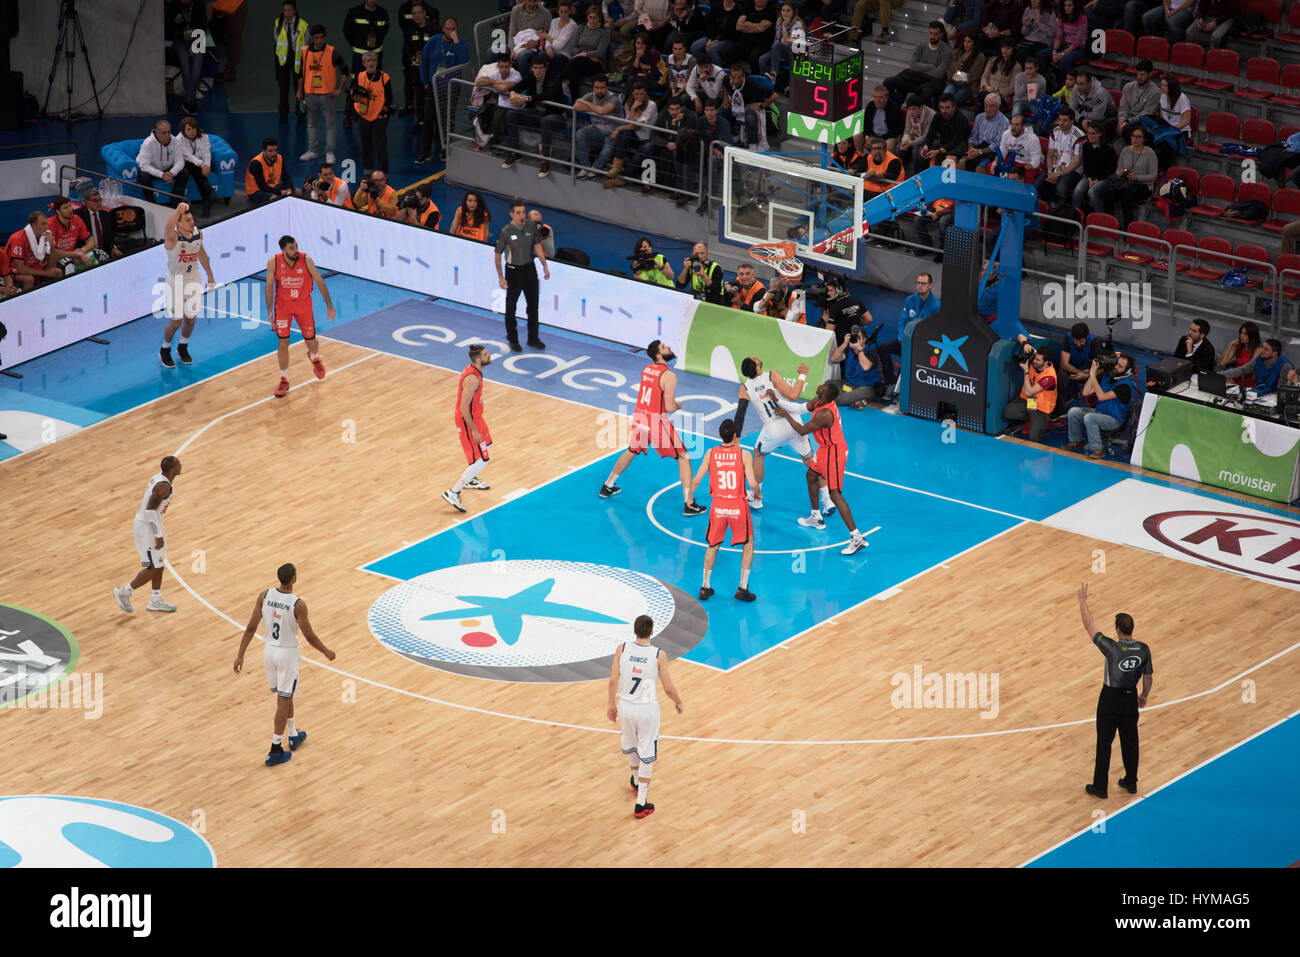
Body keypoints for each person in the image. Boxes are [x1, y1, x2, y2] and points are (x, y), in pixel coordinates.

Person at [233, 563, 337, 768]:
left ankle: (293, 734)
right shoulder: (298, 604)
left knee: (286, 694)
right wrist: (326, 651)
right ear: (293, 579)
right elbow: (309, 636)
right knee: (283, 700)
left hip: (269, 651)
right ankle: (275, 749)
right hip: (287, 654)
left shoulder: (265, 595)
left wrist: (240, 655)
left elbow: (251, 627)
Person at [599, 339, 707, 516]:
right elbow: (670, 407)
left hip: (640, 416)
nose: (669, 347)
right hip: (657, 422)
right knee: (684, 456)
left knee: (632, 450)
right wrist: (679, 405)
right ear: (659, 355)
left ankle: (608, 485)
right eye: (665, 347)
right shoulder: (669, 376)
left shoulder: (647, 369)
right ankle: (689, 503)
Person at [773, 382, 869, 555]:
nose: (820, 386)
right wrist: (778, 401)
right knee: (811, 475)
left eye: (823, 387)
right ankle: (816, 516)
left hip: (835, 452)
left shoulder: (825, 414)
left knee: (835, 493)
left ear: (826, 395)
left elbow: (802, 431)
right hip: (825, 449)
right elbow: (802, 407)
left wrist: (786, 415)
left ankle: (856, 537)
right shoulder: (819, 401)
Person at [1077, 582, 1151, 799]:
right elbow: (1148, 677)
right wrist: (1144, 695)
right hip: (1130, 699)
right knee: (1130, 741)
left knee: (1104, 742)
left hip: (1109, 700)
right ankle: (1131, 781)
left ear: (1118, 630)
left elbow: (1089, 625)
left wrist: (1082, 602)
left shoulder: (1112, 648)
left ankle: (1100, 786)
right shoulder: (1144, 649)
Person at [607, 614, 684, 820]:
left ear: (634, 631)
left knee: (631, 746)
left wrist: (610, 704)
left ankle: (634, 780)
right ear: (652, 632)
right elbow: (667, 687)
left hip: (626, 706)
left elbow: (612, 680)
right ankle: (641, 803)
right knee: (647, 753)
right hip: (647, 709)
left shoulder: (621, 649)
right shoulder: (659, 655)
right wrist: (678, 701)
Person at [735, 355, 832, 512]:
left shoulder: (745, 388)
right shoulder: (772, 375)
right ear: (758, 367)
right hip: (794, 422)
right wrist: (802, 375)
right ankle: (828, 501)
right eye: (753, 358)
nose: (755, 356)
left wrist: (737, 438)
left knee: (758, 455)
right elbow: (793, 395)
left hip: (773, 429)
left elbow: (740, 413)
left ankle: (756, 497)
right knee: (809, 460)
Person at [687, 418, 758, 601]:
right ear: (735, 436)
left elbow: (696, 479)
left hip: (718, 506)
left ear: (720, 435)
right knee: (748, 544)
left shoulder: (711, 453)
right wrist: (757, 493)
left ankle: (705, 586)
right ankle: (742, 588)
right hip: (738, 506)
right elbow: (752, 482)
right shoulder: (744, 455)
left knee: (712, 545)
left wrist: (689, 496)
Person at [267, 235, 336, 398]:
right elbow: (269, 287)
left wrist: (330, 305)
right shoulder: (274, 262)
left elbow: (320, 281)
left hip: (303, 305)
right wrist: (270, 312)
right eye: (291, 248)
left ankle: (314, 357)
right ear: (283, 250)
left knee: (311, 341)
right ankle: (284, 378)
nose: (295, 250)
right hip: (283, 306)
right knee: (283, 342)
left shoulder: (306, 260)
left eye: (296, 246)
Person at [113, 456, 184, 614]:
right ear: (172, 469)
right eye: (178, 464)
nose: (181, 466)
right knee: (153, 568)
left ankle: (155, 599)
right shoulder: (163, 486)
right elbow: (150, 510)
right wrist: (158, 534)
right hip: (148, 527)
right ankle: (124, 592)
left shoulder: (161, 478)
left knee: (159, 565)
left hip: (151, 524)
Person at [160, 202, 215, 369]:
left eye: (192, 219)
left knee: (190, 319)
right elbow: (168, 226)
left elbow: (202, 254)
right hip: (175, 282)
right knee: (176, 322)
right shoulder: (173, 237)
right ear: (179, 223)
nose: (192, 222)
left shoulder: (199, 234)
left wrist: (210, 276)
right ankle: (165, 348)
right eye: (188, 220)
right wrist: (178, 209)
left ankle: (182, 346)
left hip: (193, 280)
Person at [442, 344, 495, 513]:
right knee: (483, 459)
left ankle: (471, 478)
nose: (489, 355)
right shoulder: (472, 379)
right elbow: (464, 407)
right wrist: (473, 429)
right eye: (486, 354)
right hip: (468, 421)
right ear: (478, 359)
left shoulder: (474, 370)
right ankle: (454, 491)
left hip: (477, 417)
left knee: (488, 444)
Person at [494, 199, 550, 351]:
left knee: (533, 306)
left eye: (523, 212)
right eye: (518, 212)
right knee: (511, 307)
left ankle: (533, 338)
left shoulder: (531, 226)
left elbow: (537, 245)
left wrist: (544, 266)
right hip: (513, 272)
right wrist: (500, 277)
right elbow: (498, 255)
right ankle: (513, 339)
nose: (521, 215)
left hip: (530, 269)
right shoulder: (506, 231)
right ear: (511, 214)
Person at [415, 16, 469, 163]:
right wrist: (425, 83)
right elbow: (423, 62)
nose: (450, 31)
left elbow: (464, 59)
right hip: (434, 87)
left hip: (452, 88)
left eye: (453, 29)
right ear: (442, 29)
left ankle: (444, 150)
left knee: (447, 120)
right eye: (447, 29)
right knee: (428, 120)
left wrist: (456, 41)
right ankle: (424, 153)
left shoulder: (461, 43)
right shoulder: (433, 42)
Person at [502, 56, 567, 177]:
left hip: (556, 115)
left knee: (546, 121)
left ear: (545, 69)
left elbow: (548, 95)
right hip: (537, 114)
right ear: (532, 68)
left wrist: (525, 98)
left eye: (540, 68)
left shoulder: (554, 79)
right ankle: (514, 153)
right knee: (512, 115)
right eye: (535, 68)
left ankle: (545, 162)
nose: (537, 71)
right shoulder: (532, 77)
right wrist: (512, 94)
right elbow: (517, 86)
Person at [876, 273, 940, 397]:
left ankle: (907, 390)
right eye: (918, 283)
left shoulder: (936, 306)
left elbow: (933, 331)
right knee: (883, 347)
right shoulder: (910, 300)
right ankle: (891, 382)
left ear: (930, 285)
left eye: (924, 283)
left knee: (911, 359)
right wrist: (902, 340)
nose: (920, 286)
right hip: (906, 341)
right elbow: (902, 322)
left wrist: (916, 344)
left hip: (922, 346)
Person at [1064, 352, 1135, 458]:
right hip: (1100, 413)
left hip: (1114, 420)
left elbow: (1101, 396)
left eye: (1120, 366)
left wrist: (1092, 376)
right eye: (1116, 363)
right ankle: (1077, 441)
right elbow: (1086, 392)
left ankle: (1098, 449)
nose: (1115, 367)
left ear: (1127, 371)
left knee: (1090, 418)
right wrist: (1095, 374)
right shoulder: (1108, 376)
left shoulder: (1125, 386)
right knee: (1073, 412)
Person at [299, 24, 349, 164]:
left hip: (327, 95)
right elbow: (301, 73)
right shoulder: (305, 52)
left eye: (321, 37)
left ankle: (329, 152)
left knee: (330, 125)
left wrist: (339, 88)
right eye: (316, 38)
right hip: (310, 93)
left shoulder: (332, 52)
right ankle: (313, 151)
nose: (319, 40)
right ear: (312, 38)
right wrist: (299, 90)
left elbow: (345, 70)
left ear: (325, 37)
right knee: (311, 124)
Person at [1089, 124, 1156, 229]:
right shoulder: (1126, 150)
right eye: (1133, 136)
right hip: (1125, 182)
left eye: (1138, 137)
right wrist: (1126, 173)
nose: (1135, 139)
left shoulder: (1150, 153)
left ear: (1144, 139)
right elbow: (1118, 170)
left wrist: (1136, 177)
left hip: (1142, 186)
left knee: (1126, 197)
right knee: (1108, 194)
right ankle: (1108, 225)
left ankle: (1127, 229)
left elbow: (1152, 176)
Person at [342, 0, 392, 130]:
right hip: (359, 56)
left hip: (376, 56)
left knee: (376, 85)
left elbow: (385, 29)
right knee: (354, 84)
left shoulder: (383, 13)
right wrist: (357, 45)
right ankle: (348, 115)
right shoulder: (354, 12)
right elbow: (346, 31)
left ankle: (373, 112)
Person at [884, 20, 951, 107]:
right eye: (930, 33)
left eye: (935, 34)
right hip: (914, 78)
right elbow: (912, 66)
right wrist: (931, 66)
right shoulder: (921, 46)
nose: (932, 36)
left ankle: (925, 116)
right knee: (888, 82)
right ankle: (894, 107)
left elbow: (939, 74)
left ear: (941, 35)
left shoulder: (946, 51)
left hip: (931, 82)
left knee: (926, 92)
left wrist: (920, 68)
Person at [1003, 345, 1058, 442]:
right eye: (1035, 358)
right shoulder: (1035, 362)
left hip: (1041, 408)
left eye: (1038, 360)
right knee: (1008, 412)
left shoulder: (1049, 377)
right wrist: (1026, 344)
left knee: (1034, 438)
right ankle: (1031, 419)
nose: (1034, 361)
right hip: (1030, 402)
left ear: (1046, 362)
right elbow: (1024, 343)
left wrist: (1025, 371)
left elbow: (1029, 392)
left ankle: (1041, 421)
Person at [351, 51, 395, 174]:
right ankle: (368, 170)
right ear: (364, 63)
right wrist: (355, 98)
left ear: (377, 62)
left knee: (381, 147)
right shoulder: (359, 76)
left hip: (378, 117)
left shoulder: (384, 78)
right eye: (368, 61)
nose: (371, 63)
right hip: (364, 116)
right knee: (365, 146)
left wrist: (382, 115)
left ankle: (383, 172)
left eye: (373, 60)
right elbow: (354, 94)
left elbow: (389, 98)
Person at [827, 326, 886, 409]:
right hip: (849, 386)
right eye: (853, 337)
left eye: (858, 337)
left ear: (864, 340)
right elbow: (834, 358)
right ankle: (853, 400)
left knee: (864, 392)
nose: (855, 339)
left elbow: (865, 367)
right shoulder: (849, 350)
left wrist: (859, 349)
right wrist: (845, 344)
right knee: (830, 383)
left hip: (866, 387)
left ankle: (840, 400)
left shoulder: (871, 351)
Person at [167, 0, 208, 115]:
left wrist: (195, 44)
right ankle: (189, 101)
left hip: (198, 39)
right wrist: (175, 22)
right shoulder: (174, 6)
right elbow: (168, 27)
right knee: (187, 72)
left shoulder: (199, 5)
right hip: (181, 41)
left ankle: (190, 100)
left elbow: (203, 26)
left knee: (196, 72)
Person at [137, 120, 190, 207]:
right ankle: (152, 205)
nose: (168, 136)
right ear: (157, 133)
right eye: (164, 133)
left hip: (168, 169)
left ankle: (175, 205)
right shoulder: (148, 143)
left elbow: (180, 161)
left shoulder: (175, 141)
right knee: (144, 176)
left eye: (169, 132)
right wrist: (162, 175)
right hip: (152, 169)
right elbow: (144, 165)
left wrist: (172, 173)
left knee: (184, 172)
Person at [1038, 105, 1084, 204]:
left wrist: (1058, 174)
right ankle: (1045, 208)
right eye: (1060, 120)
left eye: (1065, 120)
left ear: (1072, 121)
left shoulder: (1079, 136)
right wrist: (1050, 171)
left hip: (1072, 169)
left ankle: (1060, 210)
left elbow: (1076, 162)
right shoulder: (1055, 131)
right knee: (1040, 183)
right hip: (1056, 165)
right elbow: (1050, 154)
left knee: (1060, 188)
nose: (1061, 123)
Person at [47, 196, 104, 274]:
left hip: (75, 253)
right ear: (58, 211)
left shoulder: (76, 219)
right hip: (57, 258)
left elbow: (91, 241)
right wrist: (76, 254)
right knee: (67, 266)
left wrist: (82, 251)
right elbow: (54, 253)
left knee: (101, 255)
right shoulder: (50, 225)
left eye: (70, 206)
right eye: (65, 208)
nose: (70, 210)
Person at [4, 212, 61, 290]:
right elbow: (20, 268)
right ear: (33, 225)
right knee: (28, 279)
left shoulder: (44, 236)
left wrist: (52, 246)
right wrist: (45, 273)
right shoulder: (18, 238)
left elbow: (52, 265)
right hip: (12, 271)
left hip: (34, 267)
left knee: (57, 272)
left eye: (46, 224)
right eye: (43, 224)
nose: (46, 227)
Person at [274, 1, 309, 125]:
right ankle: (283, 116)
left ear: (294, 11)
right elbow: (277, 41)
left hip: (298, 59)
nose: (287, 13)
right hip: (283, 60)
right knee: (283, 89)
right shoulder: (278, 23)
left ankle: (301, 116)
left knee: (299, 91)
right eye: (285, 10)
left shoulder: (303, 25)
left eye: (290, 10)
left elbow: (306, 43)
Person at [177, 116, 220, 218]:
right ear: (183, 131)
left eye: (194, 128)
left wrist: (207, 166)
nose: (192, 131)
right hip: (185, 164)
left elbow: (207, 153)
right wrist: (202, 165)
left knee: (197, 170)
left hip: (201, 165)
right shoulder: (179, 139)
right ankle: (207, 197)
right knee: (192, 166)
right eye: (189, 129)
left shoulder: (204, 136)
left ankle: (207, 198)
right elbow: (188, 156)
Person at [400, 2, 436, 120]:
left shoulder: (434, 29)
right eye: (414, 14)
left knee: (432, 96)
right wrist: (412, 57)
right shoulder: (410, 30)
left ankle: (434, 124)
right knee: (419, 95)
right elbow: (407, 46)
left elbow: (438, 47)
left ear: (424, 14)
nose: (417, 16)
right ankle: (420, 121)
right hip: (416, 70)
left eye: (419, 13)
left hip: (431, 71)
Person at [1223, 338, 1294, 397]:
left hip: (1272, 397)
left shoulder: (1285, 366)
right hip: (1258, 393)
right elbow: (1243, 369)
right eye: (1262, 347)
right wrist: (1219, 375)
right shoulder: (1259, 358)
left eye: (1266, 349)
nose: (1262, 351)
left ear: (1275, 353)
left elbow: (1282, 391)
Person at [245, 137, 298, 205]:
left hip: (272, 187)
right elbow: (262, 186)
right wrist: (280, 192)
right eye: (270, 151)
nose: (274, 153)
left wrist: (290, 189)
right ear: (264, 151)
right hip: (256, 192)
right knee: (274, 198)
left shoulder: (279, 158)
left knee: (297, 191)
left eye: (275, 150)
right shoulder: (256, 163)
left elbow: (286, 177)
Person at [74, 188, 123, 260]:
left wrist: (113, 247)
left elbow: (110, 235)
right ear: (86, 202)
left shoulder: (105, 215)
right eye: (95, 201)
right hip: (87, 252)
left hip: (105, 251)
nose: (99, 203)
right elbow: (77, 240)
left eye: (100, 199)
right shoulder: (78, 216)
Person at [211, 0, 249, 83]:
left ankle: (230, 73)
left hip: (233, 7)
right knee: (229, 39)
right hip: (219, 8)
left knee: (233, 41)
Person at [1218, 321, 1261, 387]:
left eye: (1245, 334)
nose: (1242, 336)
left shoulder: (1258, 350)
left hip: (1248, 382)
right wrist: (1230, 345)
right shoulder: (1238, 347)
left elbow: (1250, 369)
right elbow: (1222, 363)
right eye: (1241, 333)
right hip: (1235, 378)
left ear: (1252, 336)